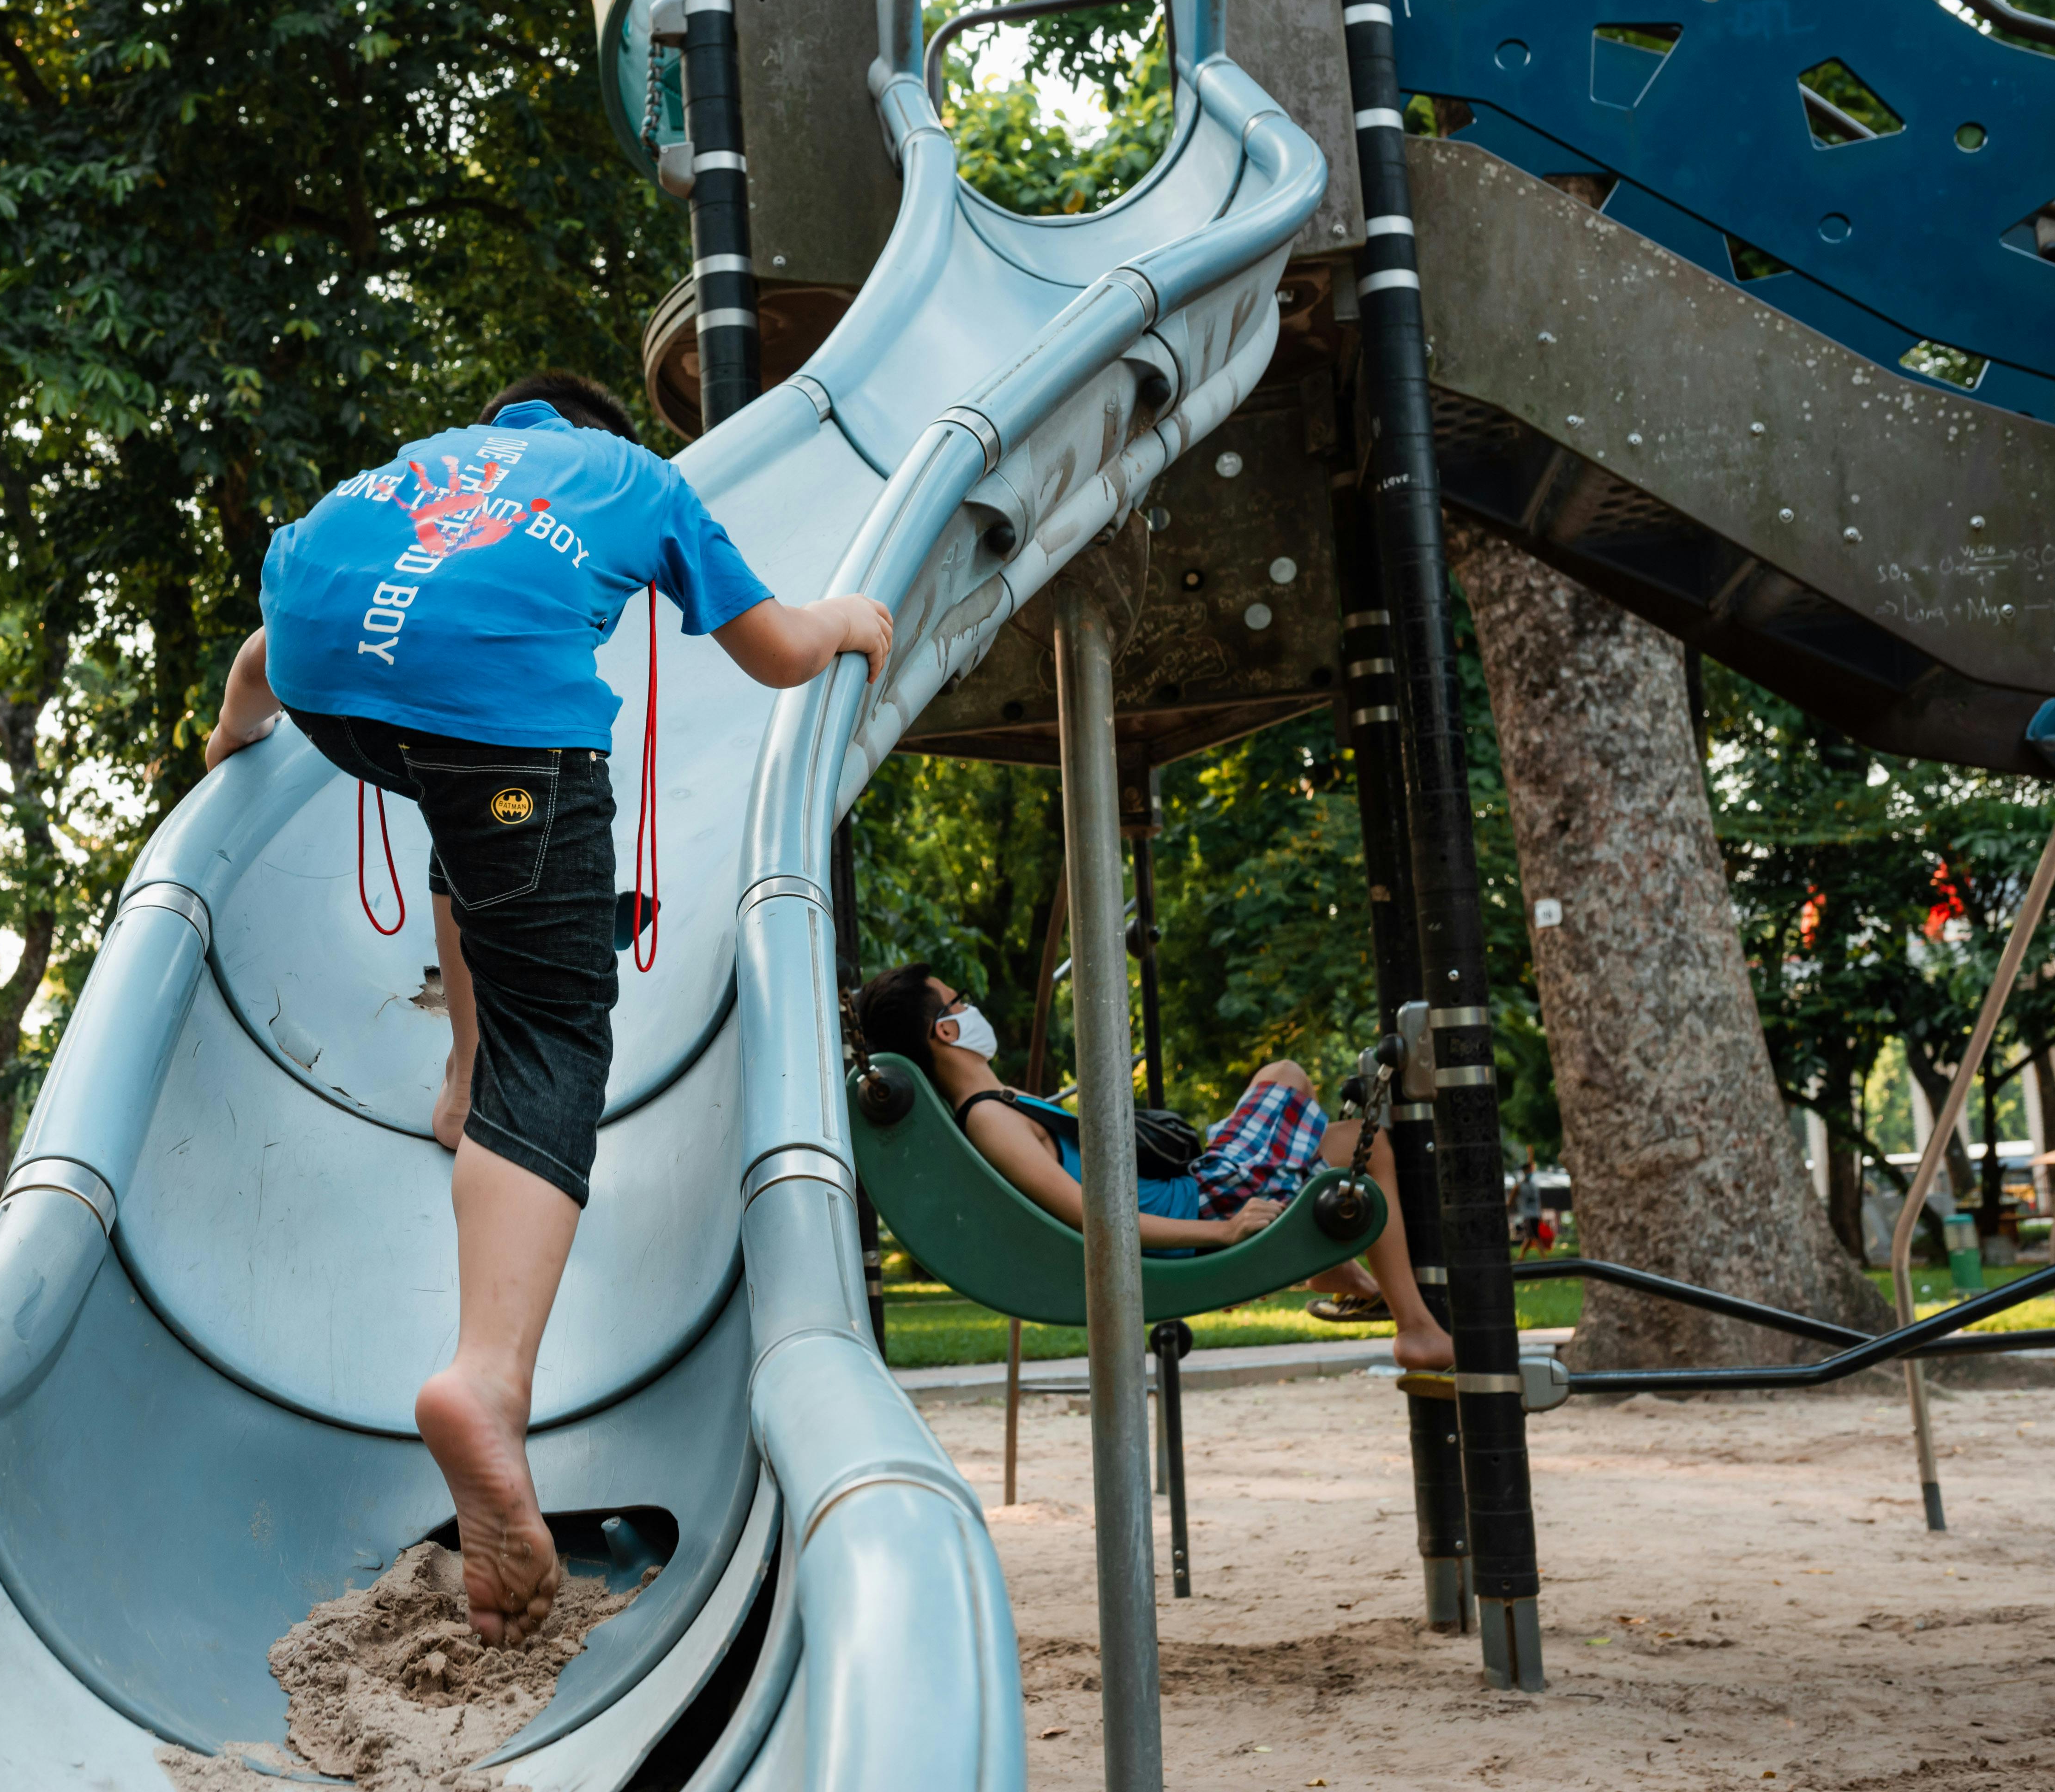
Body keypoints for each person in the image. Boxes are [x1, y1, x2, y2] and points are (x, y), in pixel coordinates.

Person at [200, 370, 892, 1648]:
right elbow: (782, 651)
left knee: (463, 831)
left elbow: (261, 647)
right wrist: (849, 616)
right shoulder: (637, 480)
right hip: (502, 728)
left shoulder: (414, 465)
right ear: (597, 434)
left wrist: (228, 741)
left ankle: (463, 1066)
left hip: (325, 683)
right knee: (561, 1030)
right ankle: (487, 1381)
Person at [853, 962, 1454, 1373]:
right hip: (1203, 1207)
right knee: (1286, 1076)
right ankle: (1408, 1323)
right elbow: (1096, 1221)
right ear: (947, 1029)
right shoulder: (990, 1119)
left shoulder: (997, 1104)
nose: (974, 1007)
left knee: (1361, 1144)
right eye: (962, 1001)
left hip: (1194, 1193)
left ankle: (1394, 1310)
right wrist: (1224, 1232)